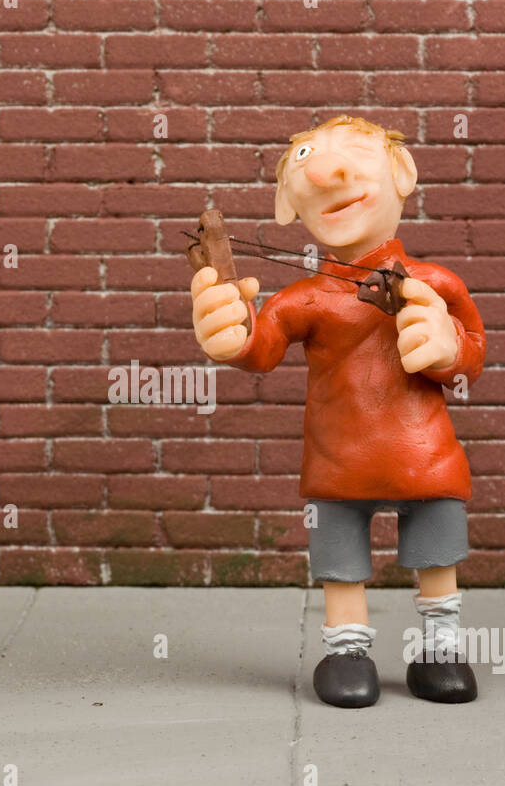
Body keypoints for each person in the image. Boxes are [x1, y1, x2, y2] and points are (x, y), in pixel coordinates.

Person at [189, 115, 486, 707]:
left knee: (437, 554)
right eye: (303, 161)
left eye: (353, 151)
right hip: (338, 465)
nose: (328, 171)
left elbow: (469, 356)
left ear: (402, 173)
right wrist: (230, 334)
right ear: (285, 206)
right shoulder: (304, 298)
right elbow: (261, 343)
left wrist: (448, 346)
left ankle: (441, 649)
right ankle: (347, 652)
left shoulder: (435, 283)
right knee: (341, 561)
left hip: (424, 458)